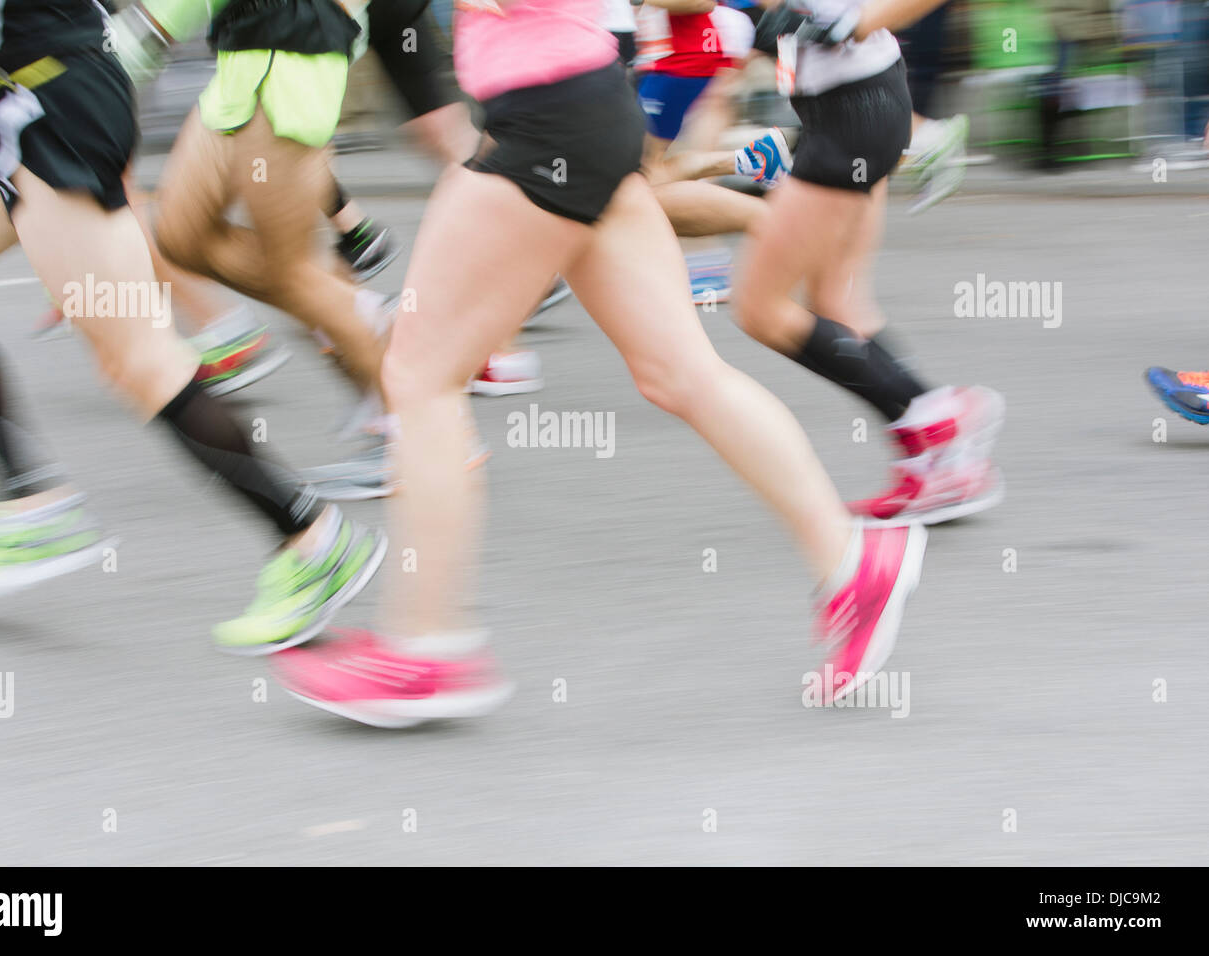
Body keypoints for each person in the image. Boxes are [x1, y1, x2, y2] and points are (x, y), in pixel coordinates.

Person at [272, 0, 928, 727]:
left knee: (420, 377)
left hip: (546, 121)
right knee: (680, 373)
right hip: (583, 106)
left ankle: (426, 649)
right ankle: (850, 562)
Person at [0, 0, 384, 654]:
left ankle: (312, 539)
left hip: (44, 103)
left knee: (140, 362)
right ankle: (23, 503)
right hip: (10, 98)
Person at [734, 0, 1005, 527]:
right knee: (840, 303)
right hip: (848, 109)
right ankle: (938, 465)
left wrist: (850, 21)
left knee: (760, 309)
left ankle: (936, 416)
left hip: (853, 116)